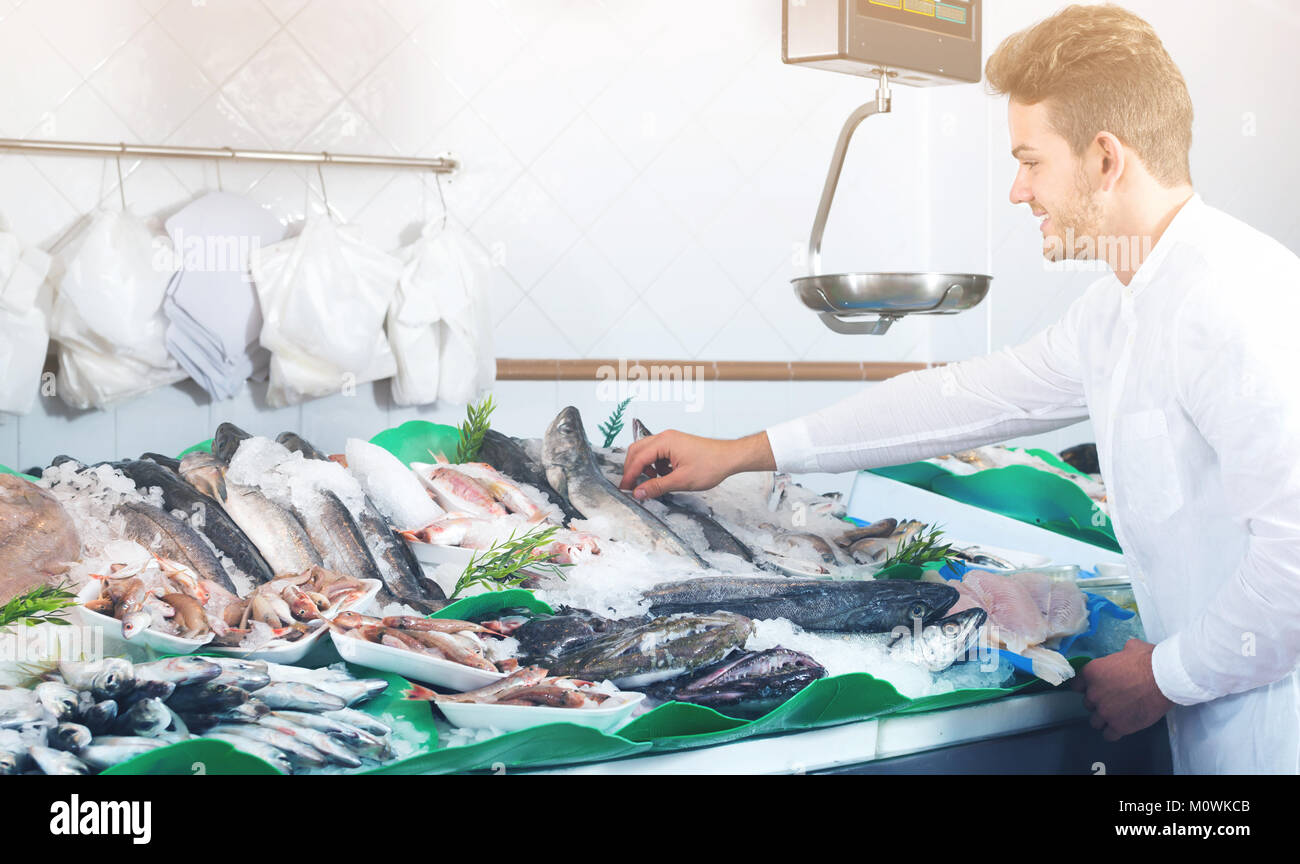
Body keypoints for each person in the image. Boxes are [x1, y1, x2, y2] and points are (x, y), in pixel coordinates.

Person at [619, 3, 1300, 774]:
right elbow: (962, 400)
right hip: (1215, 729)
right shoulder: (1118, 306)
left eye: (1031, 160)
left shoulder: (1235, 302)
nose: (1018, 191)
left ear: (1106, 158)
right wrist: (743, 452)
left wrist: (1164, 676)